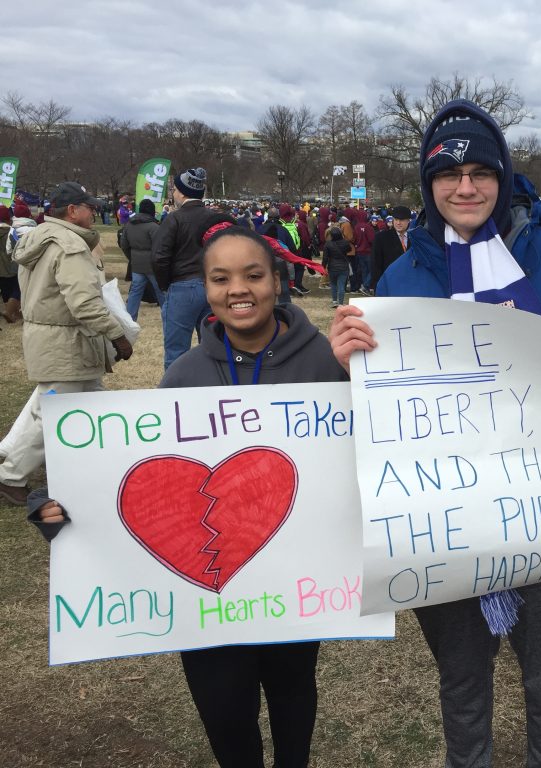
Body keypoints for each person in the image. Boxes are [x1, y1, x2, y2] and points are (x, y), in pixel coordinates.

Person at [329, 98, 541, 768]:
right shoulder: (401, 277)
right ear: (427, 184)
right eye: (448, 173)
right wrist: (346, 361)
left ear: (503, 177)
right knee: (461, 681)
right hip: (443, 520)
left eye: (480, 171)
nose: (465, 186)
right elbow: (380, 415)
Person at [31, 224, 344, 766]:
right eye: (220, 278)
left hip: (294, 593)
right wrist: (55, 505)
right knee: (226, 718)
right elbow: (125, 474)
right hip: (204, 607)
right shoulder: (184, 375)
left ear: (277, 282)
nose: (237, 289)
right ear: (205, 288)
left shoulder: (326, 365)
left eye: (252, 275)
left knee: (294, 701)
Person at [0, 182, 133, 505]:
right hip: (67, 341)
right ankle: (10, 476)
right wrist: (116, 334)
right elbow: (84, 302)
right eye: (88, 207)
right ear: (73, 211)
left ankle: (114, 459)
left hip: (53, 337)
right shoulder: (70, 246)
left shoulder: (39, 238)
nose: (93, 211)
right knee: (53, 412)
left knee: (73, 401)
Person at [152, 167, 213, 369]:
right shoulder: (213, 218)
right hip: (212, 286)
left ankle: (176, 396)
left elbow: (160, 257)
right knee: (213, 347)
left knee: (176, 352)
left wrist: (164, 284)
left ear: (182, 192)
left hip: (182, 286)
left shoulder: (174, 219)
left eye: (175, 190)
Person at [122, 199, 165, 320]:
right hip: (153, 266)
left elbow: (124, 244)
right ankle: (168, 317)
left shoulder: (129, 225)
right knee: (161, 292)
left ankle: (129, 320)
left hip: (137, 265)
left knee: (134, 294)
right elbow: (160, 248)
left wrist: (132, 258)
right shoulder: (154, 227)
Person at [369, 205, 412, 291]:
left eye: (402, 220)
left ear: (408, 221)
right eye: (396, 219)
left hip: (410, 285)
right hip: (389, 285)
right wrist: (377, 285)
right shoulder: (381, 238)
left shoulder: (415, 238)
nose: (398, 223)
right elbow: (375, 263)